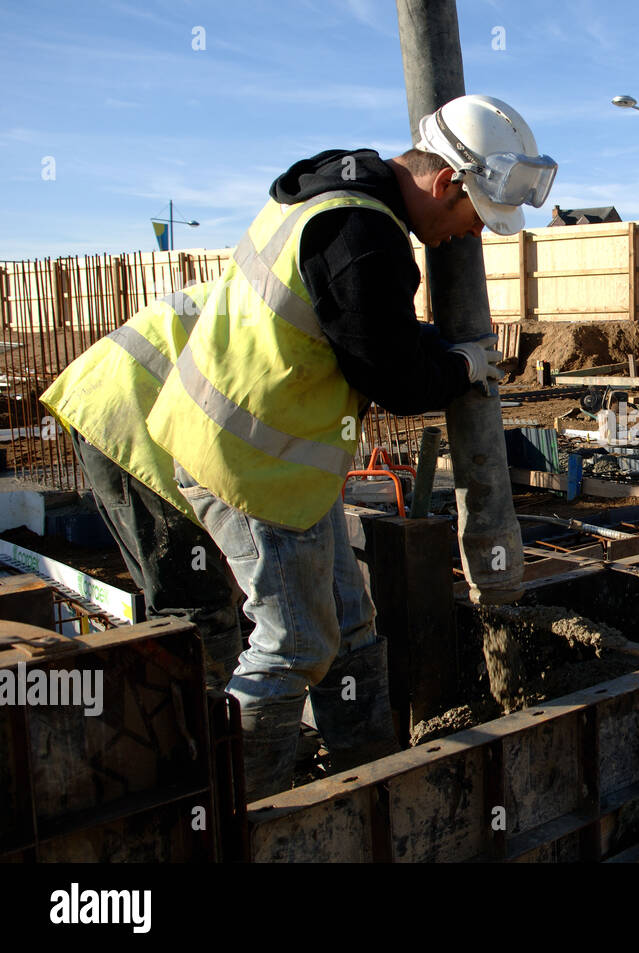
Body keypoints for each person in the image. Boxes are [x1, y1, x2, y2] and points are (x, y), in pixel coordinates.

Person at [144, 94, 556, 801]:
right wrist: (458, 366)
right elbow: (392, 377)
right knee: (294, 643)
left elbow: (364, 332)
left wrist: (443, 351)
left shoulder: (339, 199)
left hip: (282, 460)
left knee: (351, 628)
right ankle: (253, 813)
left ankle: (367, 776)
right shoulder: (363, 237)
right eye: (474, 220)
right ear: (446, 183)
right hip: (250, 466)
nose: (469, 238)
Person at [41, 283, 243, 691]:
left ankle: (194, 725)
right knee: (197, 602)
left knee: (175, 591)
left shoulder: (256, 288)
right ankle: (222, 736)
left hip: (102, 404)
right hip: (134, 418)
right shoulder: (289, 328)